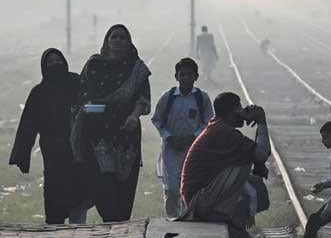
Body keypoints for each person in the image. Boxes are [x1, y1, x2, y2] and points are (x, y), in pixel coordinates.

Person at [71, 24, 151, 222]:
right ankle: (110, 222)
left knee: (124, 185)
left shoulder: (137, 68)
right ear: (107, 41)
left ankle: (121, 226)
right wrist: (98, 109)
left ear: (129, 42)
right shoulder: (94, 65)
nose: (117, 40)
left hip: (126, 134)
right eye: (113, 36)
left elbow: (143, 100)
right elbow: (81, 100)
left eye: (122, 37)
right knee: (102, 184)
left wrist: (133, 116)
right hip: (97, 135)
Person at [9, 48, 88, 224]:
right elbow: (27, 127)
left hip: (78, 152)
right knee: (54, 198)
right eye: (50, 62)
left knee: (78, 197)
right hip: (53, 154)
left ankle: (79, 231)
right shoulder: (39, 92)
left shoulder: (76, 82)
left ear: (64, 62)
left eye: (57, 60)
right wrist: (21, 155)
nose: (55, 64)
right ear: (44, 67)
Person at [179, 92, 270, 238]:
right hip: (199, 201)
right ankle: (221, 212)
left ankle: (227, 216)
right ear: (234, 109)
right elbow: (261, 154)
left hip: (198, 197)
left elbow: (258, 157)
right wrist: (261, 121)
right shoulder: (224, 132)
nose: (243, 110)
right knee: (245, 162)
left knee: (254, 182)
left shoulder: (218, 126)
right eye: (240, 107)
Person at [152, 58, 214, 218]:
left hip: (194, 149)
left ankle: (188, 219)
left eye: (189, 74)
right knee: (172, 188)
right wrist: (169, 137)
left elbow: (209, 121)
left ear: (196, 76)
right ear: (176, 76)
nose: (185, 78)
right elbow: (157, 119)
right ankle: (173, 217)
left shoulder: (202, 98)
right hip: (171, 150)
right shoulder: (168, 97)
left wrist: (193, 137)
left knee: (190, 186)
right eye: (182, 74)